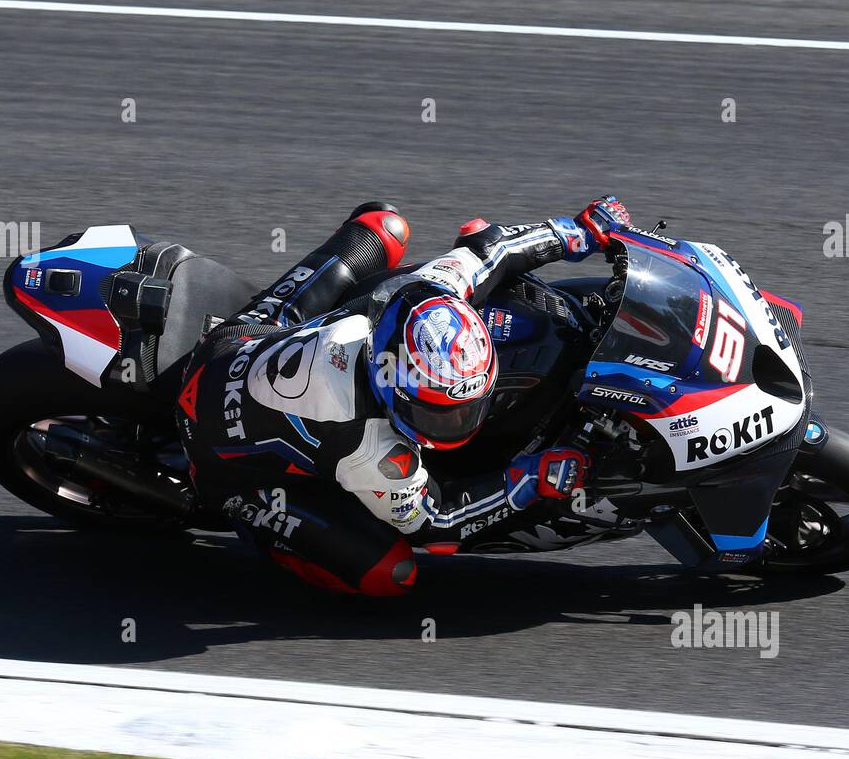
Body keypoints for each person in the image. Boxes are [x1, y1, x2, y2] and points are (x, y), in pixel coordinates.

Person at [176, 196, 633, 595]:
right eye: (442, 415)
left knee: (383, 225)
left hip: (242, 338)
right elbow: (438, 521)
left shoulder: (429, 293)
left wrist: (581, 230)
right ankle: (251, 522)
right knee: (389, 572)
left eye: (470, 406)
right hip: (223, 466)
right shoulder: (371, 451)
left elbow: (493, 249)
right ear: (391, 388)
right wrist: (532, 478)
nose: (463, 421)